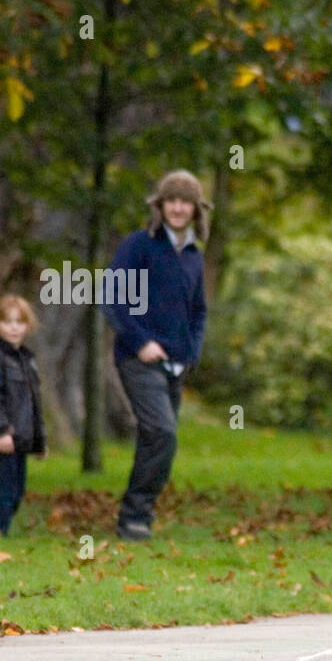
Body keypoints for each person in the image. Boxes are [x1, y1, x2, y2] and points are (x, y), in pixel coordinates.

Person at [101, 170, 210, 541]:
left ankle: (138, 518)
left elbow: (199, 310)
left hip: (177, 364)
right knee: (161, 433)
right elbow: (112, 298)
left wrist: (192, 351)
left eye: (186, 201)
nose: (178, 207)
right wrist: (141, 341)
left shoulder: (195, 255)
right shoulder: (139, 245)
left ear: (196, 209)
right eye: (172, 200)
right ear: (160, 205)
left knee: (159, 441)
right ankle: (134, 515)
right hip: (138, 358)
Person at [0, 294, 47, 535]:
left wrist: (39, 440)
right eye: (7, 322)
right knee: (2, 486)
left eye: (19, 322)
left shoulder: (27, 360)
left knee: (17, 489)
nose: (14, 328)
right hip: (3, 435)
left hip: (22, 436)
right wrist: (1, 430)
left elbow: (33, 404)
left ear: (28, 325)